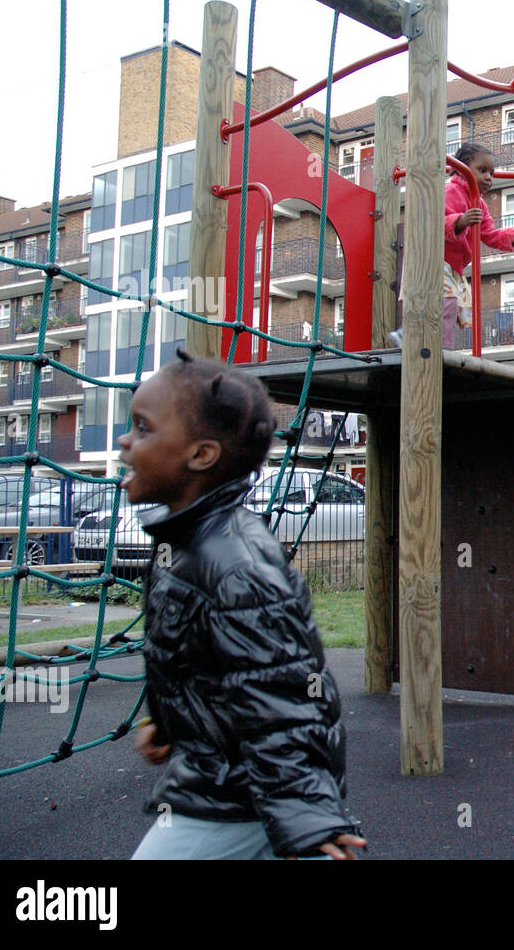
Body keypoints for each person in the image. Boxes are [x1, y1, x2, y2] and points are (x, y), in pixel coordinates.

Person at [127, 350, 365, 860]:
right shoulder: (189, 541)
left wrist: (306, 811)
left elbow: (283, 691)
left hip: (241, 793)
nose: (126, 441)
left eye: (142, 428)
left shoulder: (234, 564)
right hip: (228, 777)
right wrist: (168, 725)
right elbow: (202, 666)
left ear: (202, 454)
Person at [390, 142, 514, 350]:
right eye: (482, 171)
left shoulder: (478, 203)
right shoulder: (451, 190)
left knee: (454, 308)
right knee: (446, 303)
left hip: (454, 267)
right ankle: (437, 346)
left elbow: (489, 234)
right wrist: (460, 221)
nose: (489, 177)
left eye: (492, 172)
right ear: (462, 169)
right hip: (435, 259)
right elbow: (435, 221)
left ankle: (418, 338)